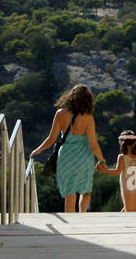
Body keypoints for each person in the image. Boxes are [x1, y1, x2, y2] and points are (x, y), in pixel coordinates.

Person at [30, 85, 104, 213]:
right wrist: (102, 159)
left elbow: (51, 139)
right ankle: (82, 216)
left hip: (66, 157)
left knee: (70, 194)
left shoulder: (60, 114)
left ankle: (71, 223)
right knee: (86, 190)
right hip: (84, 158)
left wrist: (38, 150)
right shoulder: (88, 118)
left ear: (71, 97)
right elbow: (93, 144)